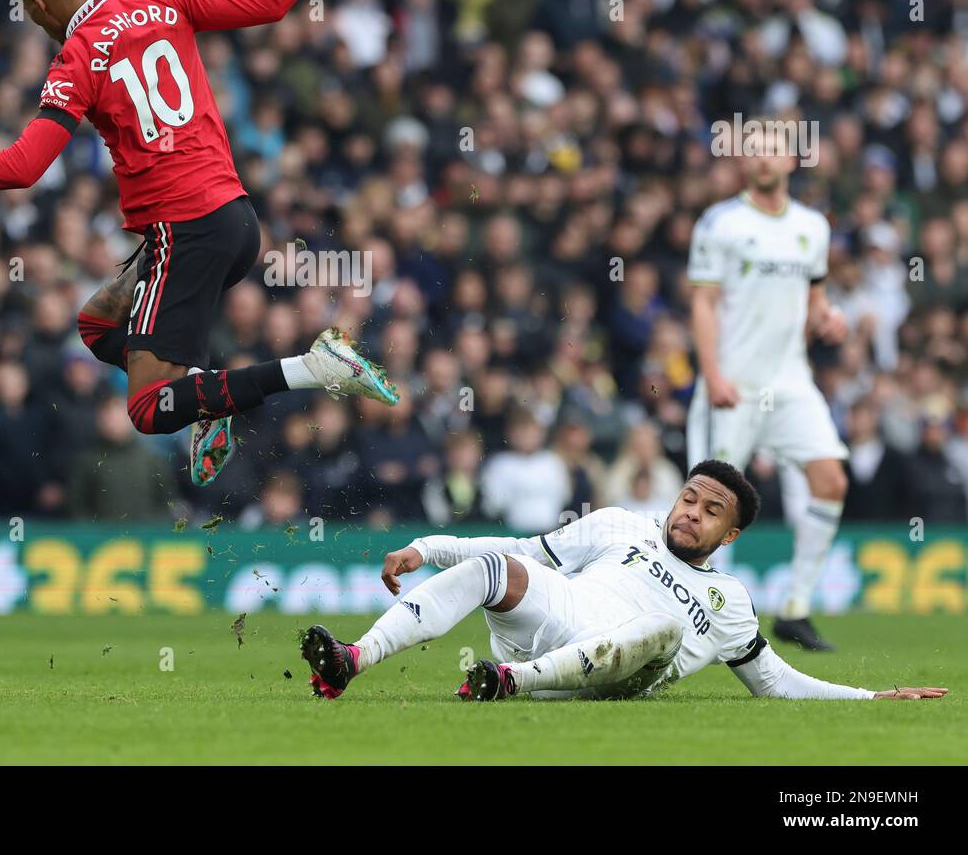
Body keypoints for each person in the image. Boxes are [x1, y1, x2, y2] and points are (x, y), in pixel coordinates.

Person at [0, 0, 398, 488]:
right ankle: (210, 402)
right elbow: (270, 0)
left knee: (147, 411)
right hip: (234, 219)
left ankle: (314, 368)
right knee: (98, 324)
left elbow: (24, 167)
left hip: (184, 230)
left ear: (39, 7)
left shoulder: (73, 61)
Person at [300, 461, 945, 704]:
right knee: (497, 570)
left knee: (661, 628)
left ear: (731, 535)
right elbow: (522, 548)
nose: (691, 512)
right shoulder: (617, 523)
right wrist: (426, 547)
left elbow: (775, 682)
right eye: (689, 498)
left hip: (620, 671)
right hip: (559, 625)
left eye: (710, 510)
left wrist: (871, 700)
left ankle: (510, 685)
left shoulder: (730, 601)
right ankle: (351, 661)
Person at [686, 143, 850, 651]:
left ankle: (795, 607)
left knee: (830, 479)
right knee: (708, 503)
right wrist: (713, 373)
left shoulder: (812, 227)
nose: (762, 160)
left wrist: (828, 316)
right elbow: (703, 302)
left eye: (772, 151)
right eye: (752, 151)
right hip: (734, 383)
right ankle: (682, 609)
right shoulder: (721, 223)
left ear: (791, 160)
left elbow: (814, 296)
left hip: (790, 382)